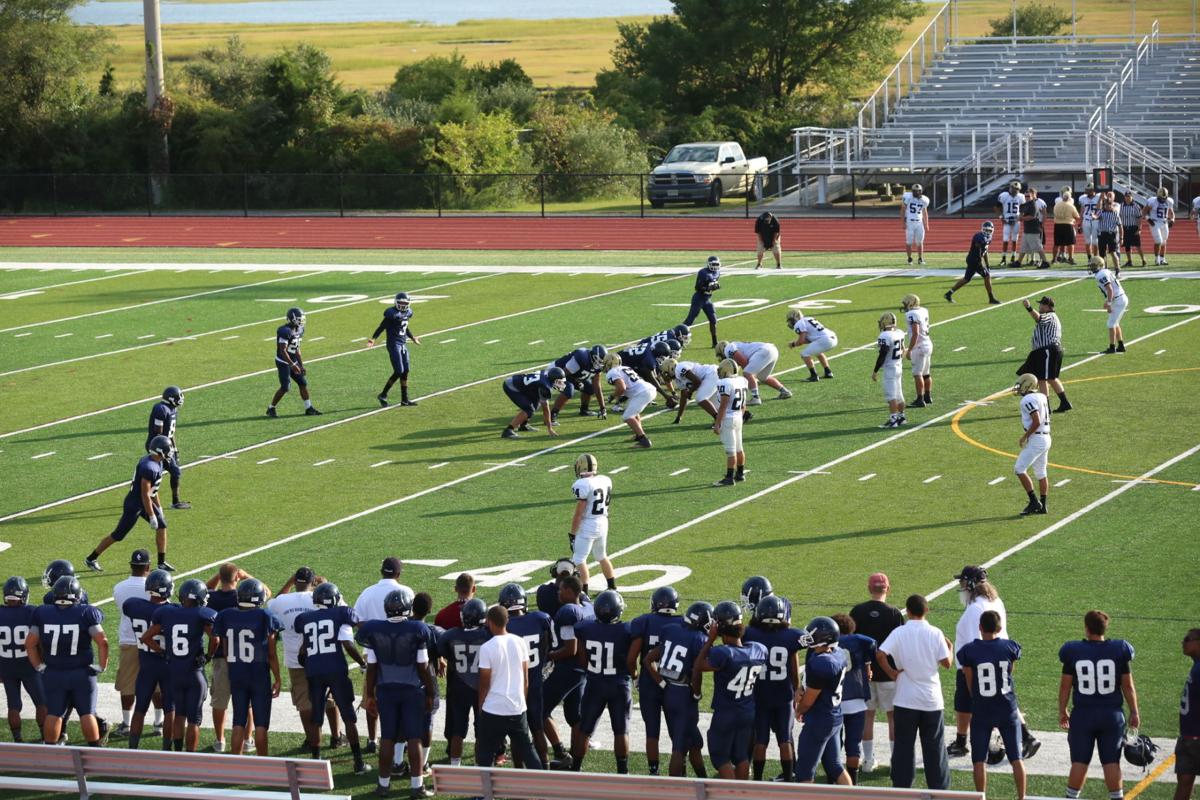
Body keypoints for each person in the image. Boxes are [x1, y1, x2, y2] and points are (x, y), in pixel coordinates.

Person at [357, 588, 436, 800]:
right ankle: (416, 786)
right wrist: (430, 691)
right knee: (413, 738)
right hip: (411, 690)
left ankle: (383, 786)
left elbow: (372, 667)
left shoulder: (374, 630)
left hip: (385, 689)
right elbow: (422, 666)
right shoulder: (417, 629)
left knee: (388, 738)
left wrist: (371, 694)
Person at [1059, 610, 1140, 800]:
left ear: (1087, 628)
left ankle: (1071, 798)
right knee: (1111, 761)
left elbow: (1065, 687)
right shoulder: (1120, 649)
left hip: (1083, 715)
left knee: (1079, 761)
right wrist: (1134, 711)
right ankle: (1117, 797)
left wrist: (1063, 710)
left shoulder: (1073, 650)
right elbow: (1127, 686)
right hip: (1111, 715)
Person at [876, 594, 953, 790]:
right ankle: (939, 789)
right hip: (931, 700)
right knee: (934, 748)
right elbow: (947, 663)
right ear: (926, 610)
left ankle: (902, 788)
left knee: (903, 747)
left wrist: (892, 673)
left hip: (905, 698)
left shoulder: (900, 632)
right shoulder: (935, 633)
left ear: (908, 611)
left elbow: (880, 654)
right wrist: (950, 648)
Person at [294, 582, 368, 773]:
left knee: (316, 718)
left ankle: (316, 762)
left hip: (314, 671)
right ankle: (358, 762)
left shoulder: (304, 618)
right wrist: (362, 662)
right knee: (348, 716)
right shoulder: (341, 613)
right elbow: (350, 640)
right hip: (336, 669)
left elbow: (303, 650)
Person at [27, 576, 108, 747]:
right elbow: (102, 641)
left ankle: (50, 751)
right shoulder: (86, 612)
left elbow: (30, 644)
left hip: (54, 672)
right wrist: (102, 665)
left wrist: (38, 666)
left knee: (54, 713)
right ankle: (94, 749)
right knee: (87, 713)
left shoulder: (42, 612)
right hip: (81, 672)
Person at [957, 610, 1027, 800]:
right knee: (1016, 758)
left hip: (982, 709)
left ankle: (982, 797)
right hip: (1007, 707)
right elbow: (1010, 671)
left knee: (979, 760)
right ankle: (1022, 797)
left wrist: (978, 698)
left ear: (980, 628)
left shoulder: (969, 650)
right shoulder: (1010, 647)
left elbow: (969, 681)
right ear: (1000, 628)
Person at [268, 567, 340, 752]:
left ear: (295, 581)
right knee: (330, 697)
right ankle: (336, 736)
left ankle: (311, 739)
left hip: (295, 659)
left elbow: (273, 603)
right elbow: (340, 608)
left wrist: (289, 582)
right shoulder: (318, 597)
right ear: (313, 580)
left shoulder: (283, 601)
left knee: (303, 701)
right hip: (322, 655)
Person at [561, 590, 632, 774]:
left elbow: (582, 659)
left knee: (585, 729)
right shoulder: (627, 630)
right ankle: (622, 772)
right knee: (621, 730)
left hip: (594, 682)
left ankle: (576, 767)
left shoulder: (585, 628)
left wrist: (592, 670)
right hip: (618, 683)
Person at [695, 601, 767, 780]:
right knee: (742, 756)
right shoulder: (759, 650)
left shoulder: (723, 653)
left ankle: (731, 794)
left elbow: (698, 666)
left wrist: (710, 639)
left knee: (721, 758)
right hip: (747, 711)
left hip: (726, 713)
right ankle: (743, 793)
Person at [144, 578, 217, 752]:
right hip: (194, 672)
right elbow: (215, 638)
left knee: (179, 714)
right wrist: (208, 655)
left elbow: (145, 638)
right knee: (194, 719)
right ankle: (190, 756)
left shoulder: (167, 612)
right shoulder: (202, 614)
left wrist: (163, 652)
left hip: (175, 672)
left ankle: (177, 752)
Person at [85, 435, 175, 574]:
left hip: (146, 501)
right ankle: (91, 558)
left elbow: (153, 490)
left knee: (162, 525)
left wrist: (159, 507)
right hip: (134, 504)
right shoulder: (149, 467)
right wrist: (151, 516)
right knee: (118, 535)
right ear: (160, 451)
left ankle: (161, 562)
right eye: (168, 449)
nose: (170, 452)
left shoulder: (158, 462)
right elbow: (145, 494)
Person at [213, 578, 282, 757]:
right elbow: (272, 654)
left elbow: (227, 649)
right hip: (259, 673)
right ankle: (263, 763)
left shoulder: (226, 615)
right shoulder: (265, 616)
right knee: (260, 724)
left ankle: (236, 762)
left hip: (237, 673)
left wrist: (234, 666)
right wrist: (278, 678)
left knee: (238, 721)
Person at [645, 602, 711, 778]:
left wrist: (661, 683)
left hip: (669, 691)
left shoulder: (671, 629)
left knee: (695, 743)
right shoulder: (699, 639)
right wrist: (696, 693)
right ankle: (675, 788)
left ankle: (702, 780)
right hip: (684, 695)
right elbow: (696, 672)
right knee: (679, 747)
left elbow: (648, 659)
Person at [743, 595, 804, 782]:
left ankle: (758, 780)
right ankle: (788, 778)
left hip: (759, 694)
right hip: (783, 694)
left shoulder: (749, 633)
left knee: (760, 740)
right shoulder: (793, 635)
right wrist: (798, 687)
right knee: (785, 738)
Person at [355, 557, 411, 754]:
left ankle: (372, 739)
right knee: (401, 696)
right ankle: (400, 740)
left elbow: (357, 621)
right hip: (402, 654)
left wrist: (374, 635)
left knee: (371, 695)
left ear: (381, 571)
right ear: (398, 573)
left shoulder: (367, 593)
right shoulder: (406, 592)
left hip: (373, 654)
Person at [475, 604, 542, 770]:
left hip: (493, 709)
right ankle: (543, 788)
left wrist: (480, 706)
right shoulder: (520, 642)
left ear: (489, 622)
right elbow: (526, 677)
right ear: (507, 621)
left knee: (485, 752)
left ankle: (486, 793)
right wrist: (522, 701)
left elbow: (484, 682)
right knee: (528, 749)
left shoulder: (487, 647)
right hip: (516, 707)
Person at [205, 562, 263, 752]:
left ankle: (220, 739)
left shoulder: (212, 598)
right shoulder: (243, 597)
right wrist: (247, 577)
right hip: (245, 658)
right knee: (246, 700)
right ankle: (247, 739)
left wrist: (219, 576)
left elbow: (204, 589)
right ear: (237, 577)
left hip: (222, 656)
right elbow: (266, 592)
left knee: (219, 701)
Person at [851, 573, 904, 774]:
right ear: (887, 589)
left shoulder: (857, 611)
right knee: (893, 718)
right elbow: (899, 645)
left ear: (869, 588)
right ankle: (895, 760)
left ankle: (867, 760)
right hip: (888, 673)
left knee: (867, 717)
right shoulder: (894, 613)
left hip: (864, 674)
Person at [626, 587, 681, 776]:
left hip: (650, 683)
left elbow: (631, 658)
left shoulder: (644, 621)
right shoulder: (682, 623)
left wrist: (635, 677)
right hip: (675, 683)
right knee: (677, 732)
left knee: (652, 731)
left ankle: (654, 771)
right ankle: (679, 771)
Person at [498, 583, 552, 768]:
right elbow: (547, 646)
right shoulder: (540, 619)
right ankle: (545, 766)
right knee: (537, 729)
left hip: (513, 686)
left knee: (516, 733)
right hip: (535, 682)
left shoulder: (505, 627)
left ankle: (518, 770)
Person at [541, 576, 593, 770]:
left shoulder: (569, 611)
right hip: (582, 670)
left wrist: (549, 655)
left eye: (561, 589)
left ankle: (560, 752)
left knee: (539, 709)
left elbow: (570, 649)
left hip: (568, 668)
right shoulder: (587, 607)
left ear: (571, 592)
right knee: (574, 716)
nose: (558, 592)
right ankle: (575, 763)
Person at [794, 617, 851, 785]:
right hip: (835, 716)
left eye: (812, 635)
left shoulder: (822, 663)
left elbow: (810, 700)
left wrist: (799, 710)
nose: (807, 637)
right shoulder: (838, 653)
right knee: (834, 766)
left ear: (824, 639)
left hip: (820, 719)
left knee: (804, 771)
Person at [123, 569, 176, 750]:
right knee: (170, 709)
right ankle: (167, 750)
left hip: (146, 663)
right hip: (167, 663)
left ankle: (132, 748)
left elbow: (138, 608)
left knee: (140, 707)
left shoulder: (132, 605)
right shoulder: (173, 611)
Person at [110, 549, 157, 739]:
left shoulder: (119, 587)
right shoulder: (154, 585)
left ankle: (126, 723)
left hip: (129, 639)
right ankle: (159, 722)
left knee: (127, 685)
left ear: (131, 565)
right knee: (157, 684)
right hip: (152, 641)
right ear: (148, 566)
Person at [438, 598, 490, 767]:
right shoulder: (488, 636)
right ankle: (479, 766)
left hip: (459, 686)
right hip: (482, 688)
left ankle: (455, 765)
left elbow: (442, 651)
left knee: (457, 731)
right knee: (481, 731)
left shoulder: (451, 635)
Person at [832, 613, 876, 784]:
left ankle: (834, 781)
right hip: (857, 700)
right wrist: (867, 660)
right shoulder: (858, 641)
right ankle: (853, 784)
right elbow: (872, 643)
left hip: (835, 701)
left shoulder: (832, 642)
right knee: (853, 747)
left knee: (834, 746)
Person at [0, 576, 45, 741]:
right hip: (29, 665)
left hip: (6, 665)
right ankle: (45, 736)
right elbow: (39, 641)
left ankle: (17, 739)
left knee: (13, 705)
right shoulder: (32, 611)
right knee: (41, 702)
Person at [568, 453, 616, 594]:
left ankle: (585, 593)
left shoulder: (582, 484)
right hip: (603, 521)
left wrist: (572, 532)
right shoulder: (605, 480)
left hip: (589, 524)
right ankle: (612, 587)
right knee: (602, 556)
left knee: (579, 559)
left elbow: (579, 513)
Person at [367, 292, 421, 407]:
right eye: (400, 303)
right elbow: (382, 327)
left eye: (404, 303)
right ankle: (383, 394)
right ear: (396, 302)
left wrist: (412, 337)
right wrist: (373, 339)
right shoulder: (391, 314)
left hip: (402, 344)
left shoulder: (408, 313)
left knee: (405, 371)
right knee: (399, 371)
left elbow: (405, 327)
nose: (402, 305)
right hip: (393, 344)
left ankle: (404, 400)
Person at [1018, 295, 1071, 412]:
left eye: (1041, 304)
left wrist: (1029, 307)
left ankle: (1046, 407)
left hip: (1047, 350)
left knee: (1042, 379)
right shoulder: (1052, 316)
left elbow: (1038, 318)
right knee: (1052, 378)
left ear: (1047, 306)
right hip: (1048, 351)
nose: (1040, 306)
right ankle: (1065, 402)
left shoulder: (1049, 316)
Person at [267, 306, 320, 417]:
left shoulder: (300, 330)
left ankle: (308, 408)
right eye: (299, 319)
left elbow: (297, 349)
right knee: (285, 387)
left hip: (293, 361)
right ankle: (271, 408)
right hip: (283, 361)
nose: (301, 321)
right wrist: (292, 364)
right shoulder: (284, 331)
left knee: (303, 383)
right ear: (293, 319)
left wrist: (300, 364)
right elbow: (283, 351)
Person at [1012, 372, 1051, 516]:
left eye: (1021, 385)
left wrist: (1025, 436)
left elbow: (1037, 420)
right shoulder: (1041, 396)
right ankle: (1043, 505)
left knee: (1019, 468)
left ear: (1027, 385)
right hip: (1046, 437)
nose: (1018, 388)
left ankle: (1034, 501)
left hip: (1037, 438)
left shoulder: (1027, 400)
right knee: (1041, 472)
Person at [147, 385, 190, 509]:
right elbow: (158, 433)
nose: (180, 399)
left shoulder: (172, 409)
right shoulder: (161, 409)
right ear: (171, 398)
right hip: (158, 447)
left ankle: (144, 495)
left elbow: (170, 432)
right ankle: (175, 502)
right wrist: (164, 451)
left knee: (161, 473)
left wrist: (174, 448)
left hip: (166, 446)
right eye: (178, 396)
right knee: (173, 472)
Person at [602, 353, 654, 449]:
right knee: (632, 411)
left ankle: (644, 440)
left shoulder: (612, 373)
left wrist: (612, 396)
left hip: (642, 392)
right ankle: (638, 435)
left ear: (609, 363)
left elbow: (622, 388)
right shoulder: (624, 368)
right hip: (648, 388)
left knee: (627, 416)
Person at [715, 340, 791, 404]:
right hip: (771, 350)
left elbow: (744, 362)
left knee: (747, 373)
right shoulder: (734, 346)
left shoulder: (728, 349)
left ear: (721, 349)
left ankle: (756, 397)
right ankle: (784, 391)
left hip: (764, 351)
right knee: (763, 377)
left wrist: (749, 379)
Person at [711, 359, 748, 486]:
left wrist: (717, 423)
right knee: (739, 448)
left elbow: (723, 406)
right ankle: (740, 474)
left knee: (730, 450)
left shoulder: (724, 382)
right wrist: (740, 416)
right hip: (738, 416)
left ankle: (729, 478)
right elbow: (744, 404)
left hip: (728, 418)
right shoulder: (742, 380)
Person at [500, 367, 565, 440]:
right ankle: (508, 431)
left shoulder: (545, 375)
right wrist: (550, 428)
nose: (561, 384)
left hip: (520, 382)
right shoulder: (545, 387)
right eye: (559, 381)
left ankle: (523, 425)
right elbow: (546, 410)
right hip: (511, 386)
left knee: (536, 404)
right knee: (529, 410)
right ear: (553, 379)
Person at [945, 220, 999, 304]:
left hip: (973, 260)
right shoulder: (978, 236)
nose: (988, 232)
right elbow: (978, 251)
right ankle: (991, 298)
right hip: (974, 260)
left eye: (989, 230)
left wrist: (987, 264)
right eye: (986, 230)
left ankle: (949, 293)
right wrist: (981, 264)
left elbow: (985, 252)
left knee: (966, 279)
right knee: (987, 276)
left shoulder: (989, 238)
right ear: (982, 229)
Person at [548, 345, 607, 420]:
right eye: (599, 361)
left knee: (590, 389)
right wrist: (576, 382)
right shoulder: (582, 358)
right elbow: (563, 374)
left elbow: (597, 387)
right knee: (569, 390)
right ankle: (552, 415)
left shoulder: (597, 366)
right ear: (594, 357)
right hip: (555, 373)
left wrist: (603, 408)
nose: (600, 364)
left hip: (573, 376)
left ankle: (584, 410)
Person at [1085, 256, 1129, 354]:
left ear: (1099, 266)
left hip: (1118, 300)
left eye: (1093, 265)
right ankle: (1121, 345)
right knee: (1115, 323)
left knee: (1111, 324)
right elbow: (1111, 289)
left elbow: (1109, 289)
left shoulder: (1101, 275)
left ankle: (1112, 347)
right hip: (1119, 298)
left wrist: (1109, 303)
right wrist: (1108, 301)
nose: (1091, 267)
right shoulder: (1105, 271)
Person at [872, 312, 907, 429]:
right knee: (899, 394)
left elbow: (883, 354)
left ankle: (893, 420)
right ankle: (901, 417)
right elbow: (903, 349)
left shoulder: (885, 336)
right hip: (898, 366)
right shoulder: (899, 333)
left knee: (891, 395)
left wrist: (875, 370)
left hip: (890, 368)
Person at [1177, 628, 1200, 800]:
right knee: (1184, 781)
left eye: (1187, 639)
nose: (1183, 642)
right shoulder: (1196, 666)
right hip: (1187, 736)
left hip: (1197, 737)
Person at [786, 309, 837, 382]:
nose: (790, 323)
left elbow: (801, 341)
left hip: (825, 340)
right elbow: (809, 340)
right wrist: (796, 342)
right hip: (832, 338)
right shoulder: (808, 319)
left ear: (795, 319)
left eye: (791, 320)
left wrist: (793, 344)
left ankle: (814, 375)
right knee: (817, 351)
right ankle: (828, 372)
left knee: (804, 354)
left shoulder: (799, 323)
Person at [683, 255, 722, 349]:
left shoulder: (717, 272)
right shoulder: (703, 272)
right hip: (699, 298)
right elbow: (697, 288)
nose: (715, 266)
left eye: (717, 264)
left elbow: (713, 285)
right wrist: (709, 287)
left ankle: (715, 342)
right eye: (713, 264)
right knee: (690, 320)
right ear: (708, 264)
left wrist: (715, 287)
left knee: (713, 320)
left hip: (707, 299)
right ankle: (676, 338)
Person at [901, 293, 933, 407]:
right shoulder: (923, 310)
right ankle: (927, 396)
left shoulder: (912, 314)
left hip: (918, 346)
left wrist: (909, 350)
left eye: (905, 303)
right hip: (927, 343)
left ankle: (920, 399)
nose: (904, 306)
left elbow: (915, 332)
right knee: (926, 373)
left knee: (917, 374)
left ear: (911, 303)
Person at [1016, 187, 1051, 269]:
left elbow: (1032, 216)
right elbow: (1022, 214)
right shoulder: (1025, 204)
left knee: (1038, 246)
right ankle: (1018, 262)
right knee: (1023, 247)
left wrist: (1021, 218)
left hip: (1033, 228)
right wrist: (1020, 216)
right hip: (1027, 228)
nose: (1027, 197)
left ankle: (1045, 262)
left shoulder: (1033, 204)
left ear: (1032, 196)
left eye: (1028, 196)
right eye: (1026, 196)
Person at [1143, 186, 1176, 266]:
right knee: (1158, 241)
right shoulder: (1152, 201)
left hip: (1164, 222)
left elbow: (1172, 212)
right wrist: (1148, 219)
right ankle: (1157, 259)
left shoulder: (1169, 201)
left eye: (1164, 198)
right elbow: (1144, 211)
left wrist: (1172, 219)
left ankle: (1162, 259)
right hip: (1155, 222)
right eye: (1161, 198)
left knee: (1164, 242)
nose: (1163, 199)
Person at [996, 180, 1024, 266]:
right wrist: (1001, 217)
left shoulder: (1021, 196)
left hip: (1016, 220)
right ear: (1010, 188)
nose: (1015, 190)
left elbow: (1023, 209)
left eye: (1017, 189)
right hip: (1007, 220)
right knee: (1005, 239)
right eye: (1014, 188)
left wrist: (1020, 216)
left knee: (1015, 239)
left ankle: (1013, 257)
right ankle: (1003, 258)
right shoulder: (1004, 195)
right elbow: (996, 207)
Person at [900, 183, 930, 265]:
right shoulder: (908, 198)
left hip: (919, 222)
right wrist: (903, 223)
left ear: (921, 191)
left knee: (920, 242)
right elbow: (902, 210)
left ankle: (920, 258)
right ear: (912, 191)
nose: (916, 192)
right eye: (915, 191)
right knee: (909, 242)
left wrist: (926, 223)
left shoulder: (924, 200)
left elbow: (924, 212)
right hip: (909, 222)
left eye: (918, 191)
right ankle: (909, 258)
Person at [1052, 187, 1081, 264]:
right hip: (1068, 225)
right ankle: (1071, 258)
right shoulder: (1071, 206)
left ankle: (1054, 259)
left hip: (1057, 225)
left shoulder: (1056, 205)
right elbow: (1077, 217)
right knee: (1070, 243)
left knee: (1057, 243)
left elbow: (1054, 214)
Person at [1120, 191, 1148, 268]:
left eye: (1129, 196)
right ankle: (1129, 261)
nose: (1127, 198)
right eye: (1126, 196)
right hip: (1125, 227)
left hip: (1133, 227)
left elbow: (1139, 218)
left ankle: (1143, 260)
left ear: (1132, 197)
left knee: (1138, 245)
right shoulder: (1121, 205)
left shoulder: (1136, 206)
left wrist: (1139, 229)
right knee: (1127, 246)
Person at [1097, 197, 1123, 271]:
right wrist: (1093, 216)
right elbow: (1096, 216)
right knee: (1102, 253)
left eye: (1110, 204)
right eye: (1107, 204)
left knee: (1113, 252)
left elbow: (1120, 226)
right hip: (1102, 234)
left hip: (1111, 235)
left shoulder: (1115, 213)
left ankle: (1117, 269)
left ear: (1112, 205)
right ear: (1104, 205)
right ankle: (1104, 269)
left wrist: (1121, 238)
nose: (1108, 206)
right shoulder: (1101, 212)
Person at [1079, 182, 1102, 259]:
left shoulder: (1099, 197)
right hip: (1086, 220)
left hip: (1095, 221)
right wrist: (1080, 224)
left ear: (1093, 190)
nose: (1087, 191)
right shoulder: (1083, 198)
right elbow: (1082, 211)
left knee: (1095, 241)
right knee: (1088, 241)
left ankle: (1095, 258)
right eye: (1087, 190)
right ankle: (1089, 258)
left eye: (1089, 190)